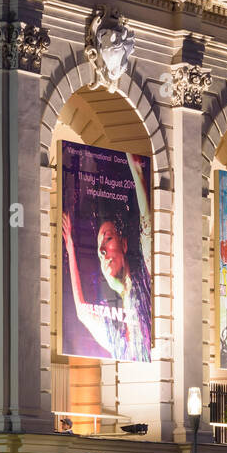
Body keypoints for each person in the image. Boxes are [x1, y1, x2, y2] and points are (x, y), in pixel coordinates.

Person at [60, 152, 154, 362]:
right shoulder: (116, 339)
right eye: (99, 249)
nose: (102, 251)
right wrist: (70, 248)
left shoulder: (145, 282)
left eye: (108, 239)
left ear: (124, 244)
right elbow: (83, 313)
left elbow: (147, 226)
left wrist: (137, 174)